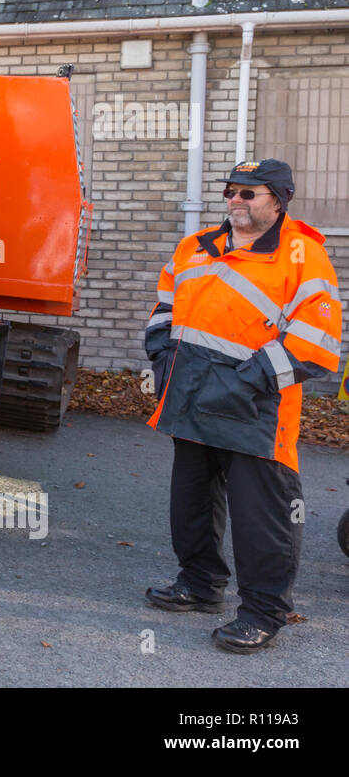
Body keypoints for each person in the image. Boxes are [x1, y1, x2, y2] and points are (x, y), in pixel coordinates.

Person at [143, 159, 342, 653]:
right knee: (190, 503)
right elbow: (164, 307)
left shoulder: (302, 254)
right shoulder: (196, 246)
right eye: (231, 191)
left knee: (262, 518)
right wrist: (162, 354)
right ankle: (200, 583)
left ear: (279, 200)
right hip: (190, 399)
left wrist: (243, 382)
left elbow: (315, 342)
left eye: (249, 193)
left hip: (256, 411)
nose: (236, 200)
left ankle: (264, 612)